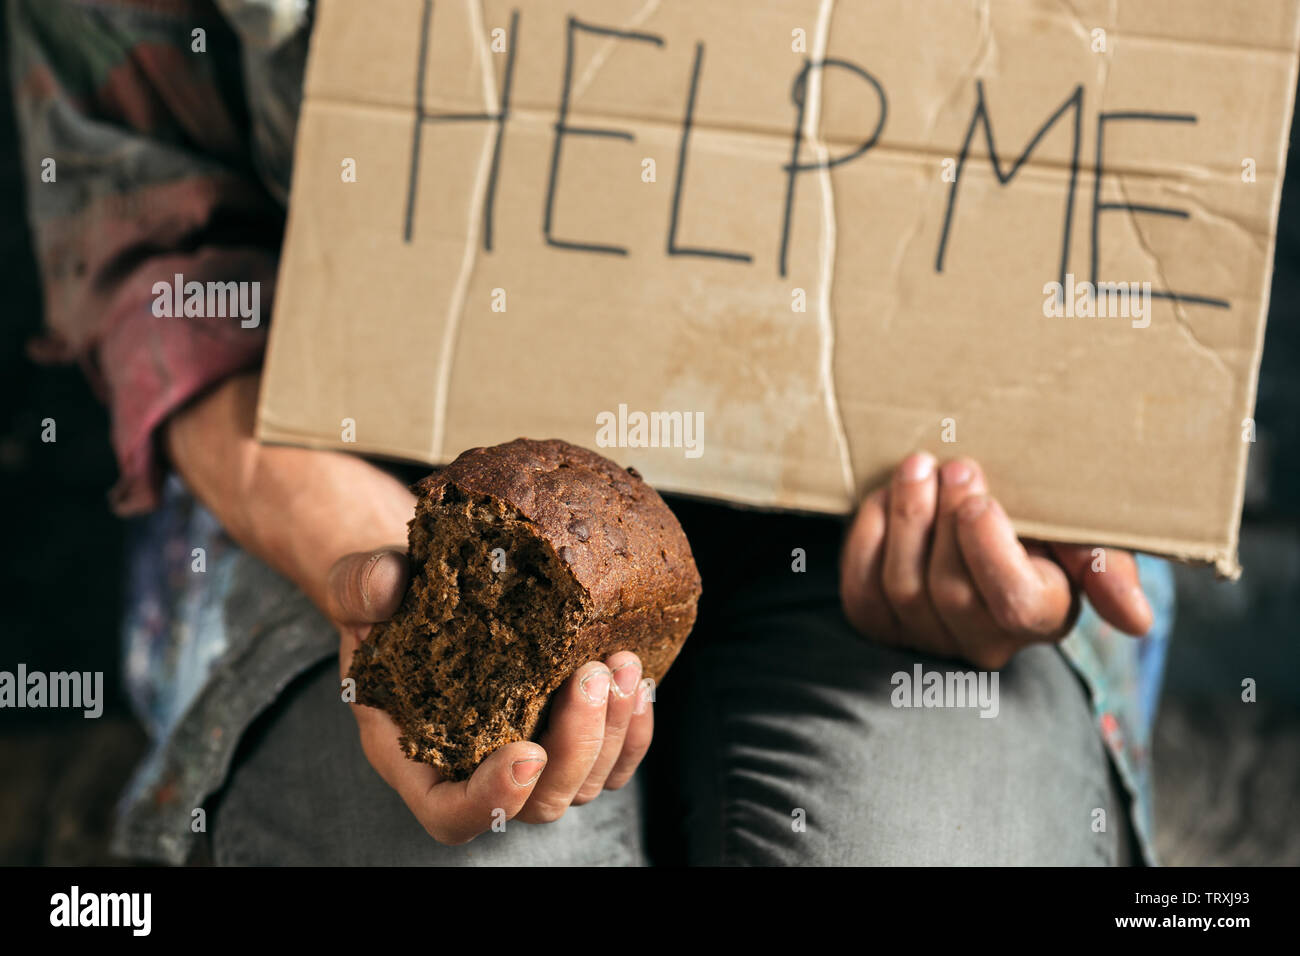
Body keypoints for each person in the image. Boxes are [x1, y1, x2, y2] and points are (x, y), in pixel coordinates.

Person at [9, 0, 1172, 865]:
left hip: (898, 505)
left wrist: (1042, 497)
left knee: (918, 843)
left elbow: (1136, 172)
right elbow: (139, 208)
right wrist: (352, 548)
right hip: (353, 460)